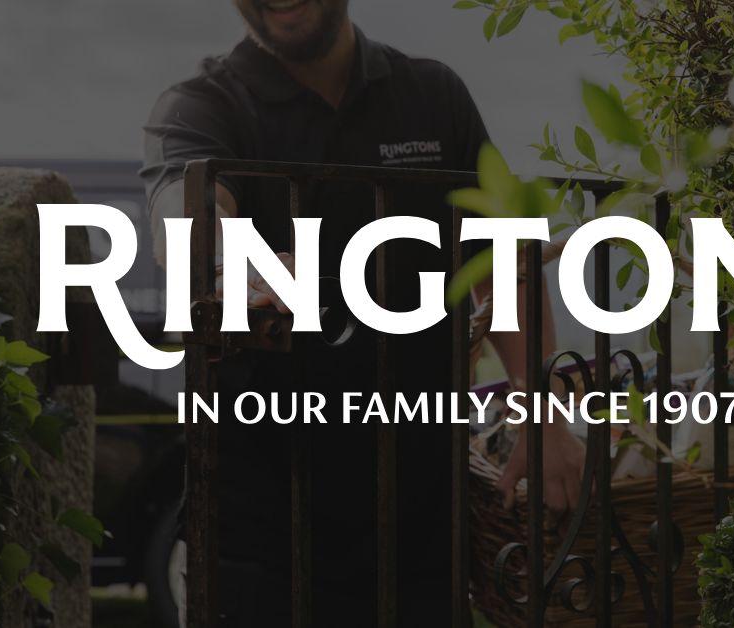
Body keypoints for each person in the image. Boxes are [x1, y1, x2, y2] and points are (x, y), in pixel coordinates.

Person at [141, 1, 585, 623]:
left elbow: (501, 257)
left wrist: (544, 415)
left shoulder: (433, 95)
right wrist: (233, 262)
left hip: (422, 525)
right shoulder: (199, 105)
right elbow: (186, 213)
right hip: (258, 537)